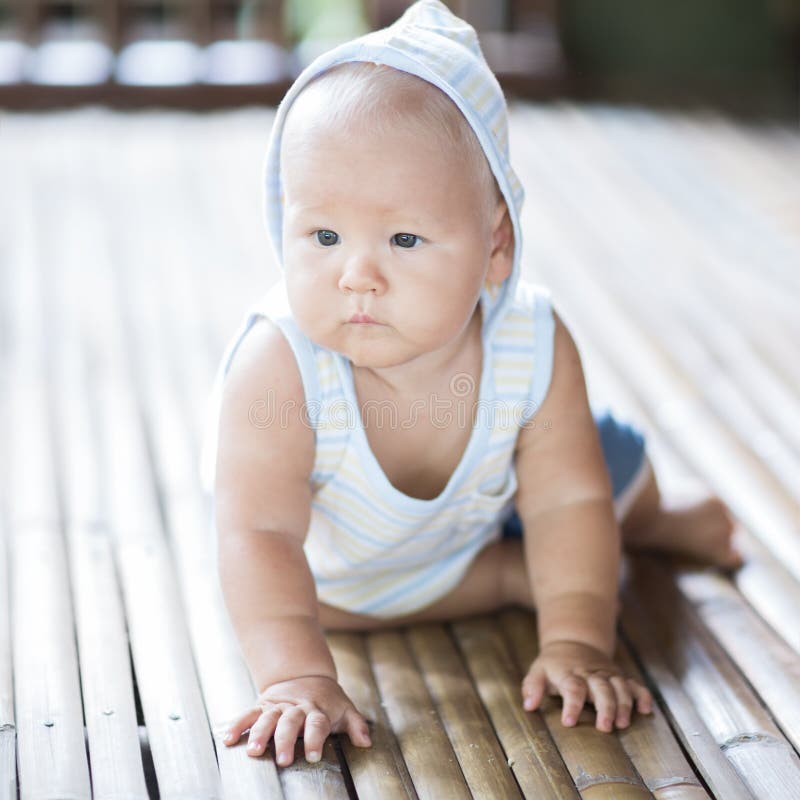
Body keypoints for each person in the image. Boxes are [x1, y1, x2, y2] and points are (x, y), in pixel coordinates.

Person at [202, 0, 742, 768]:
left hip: (471, 527)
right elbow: (258, 534)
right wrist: (294, 676)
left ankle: (656, 518)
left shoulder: (530, 339)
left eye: (404, 239)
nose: (357, 274)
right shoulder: (281, 365)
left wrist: (578, 639)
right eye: (322, 235)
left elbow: (566, 500)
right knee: (442, 578)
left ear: (495, 245)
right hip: (345, 586)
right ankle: (534, 575)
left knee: (600, 459)